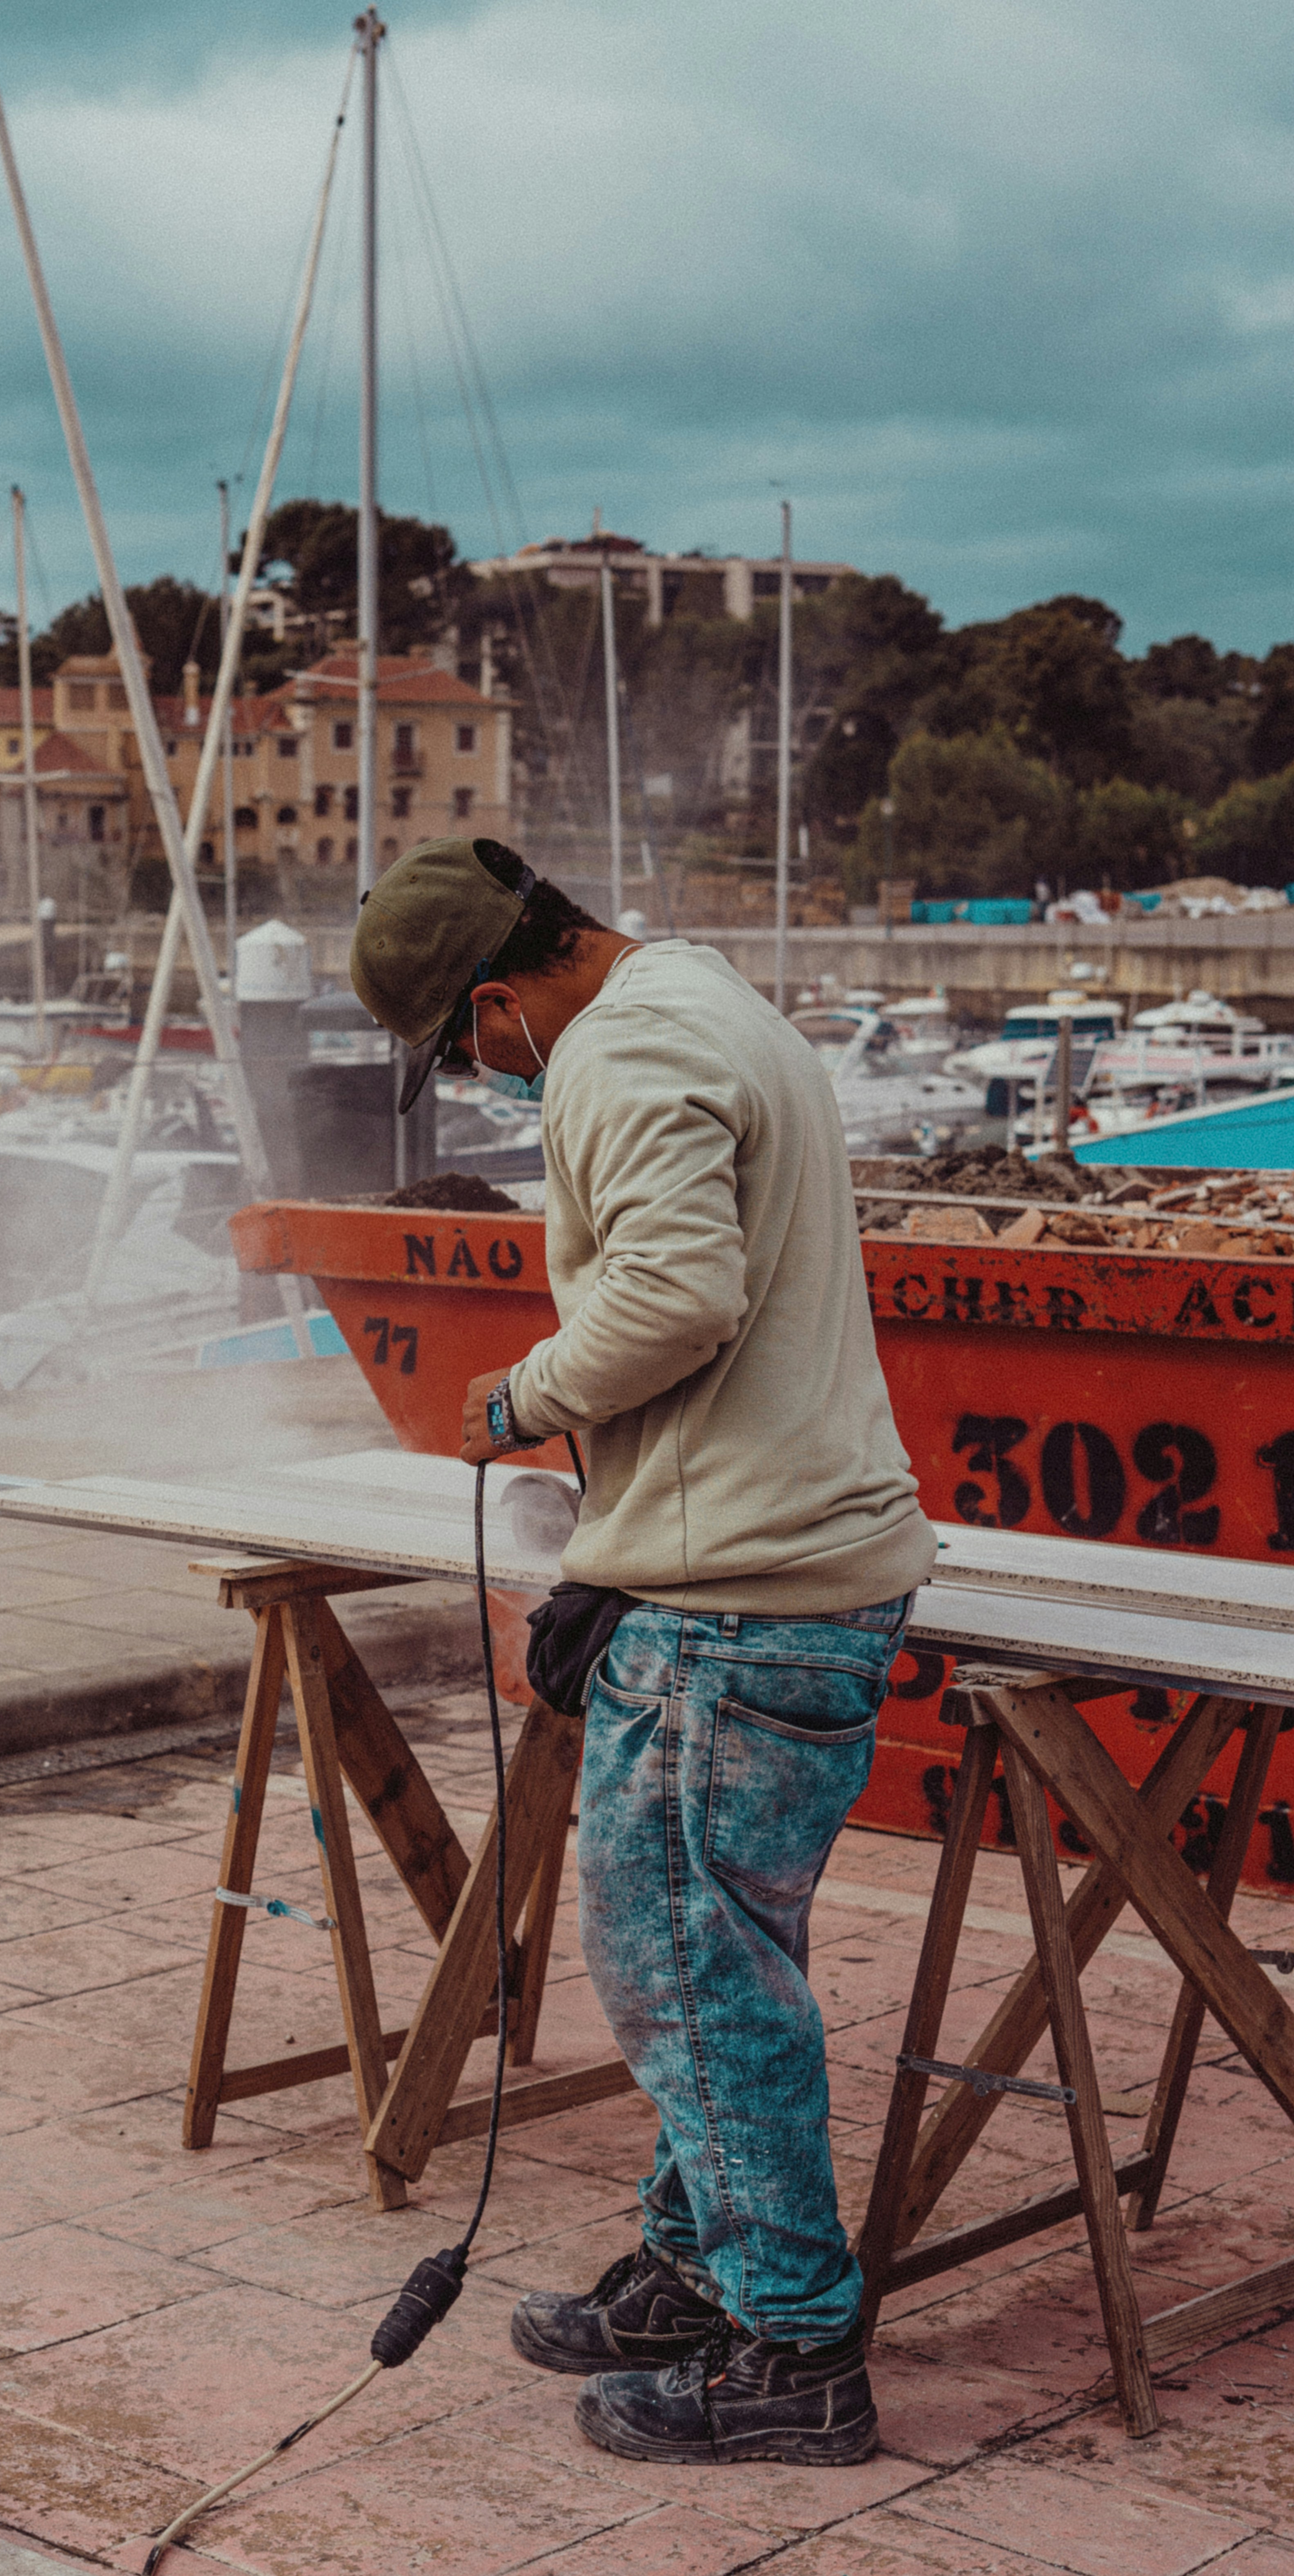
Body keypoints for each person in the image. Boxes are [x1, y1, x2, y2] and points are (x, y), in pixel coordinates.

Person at [350, 837, 936, 2466]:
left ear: (496, 999)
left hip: (741, 1603)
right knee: (715, 1955)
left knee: (684, 1970)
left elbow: (678, 1295)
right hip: (769, 1568)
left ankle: (793, 2350)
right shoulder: (701, 997)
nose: (472, 1080)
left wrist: (524, 1398)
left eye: (460, 1049)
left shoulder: (619, 1051)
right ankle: (696, 2265)